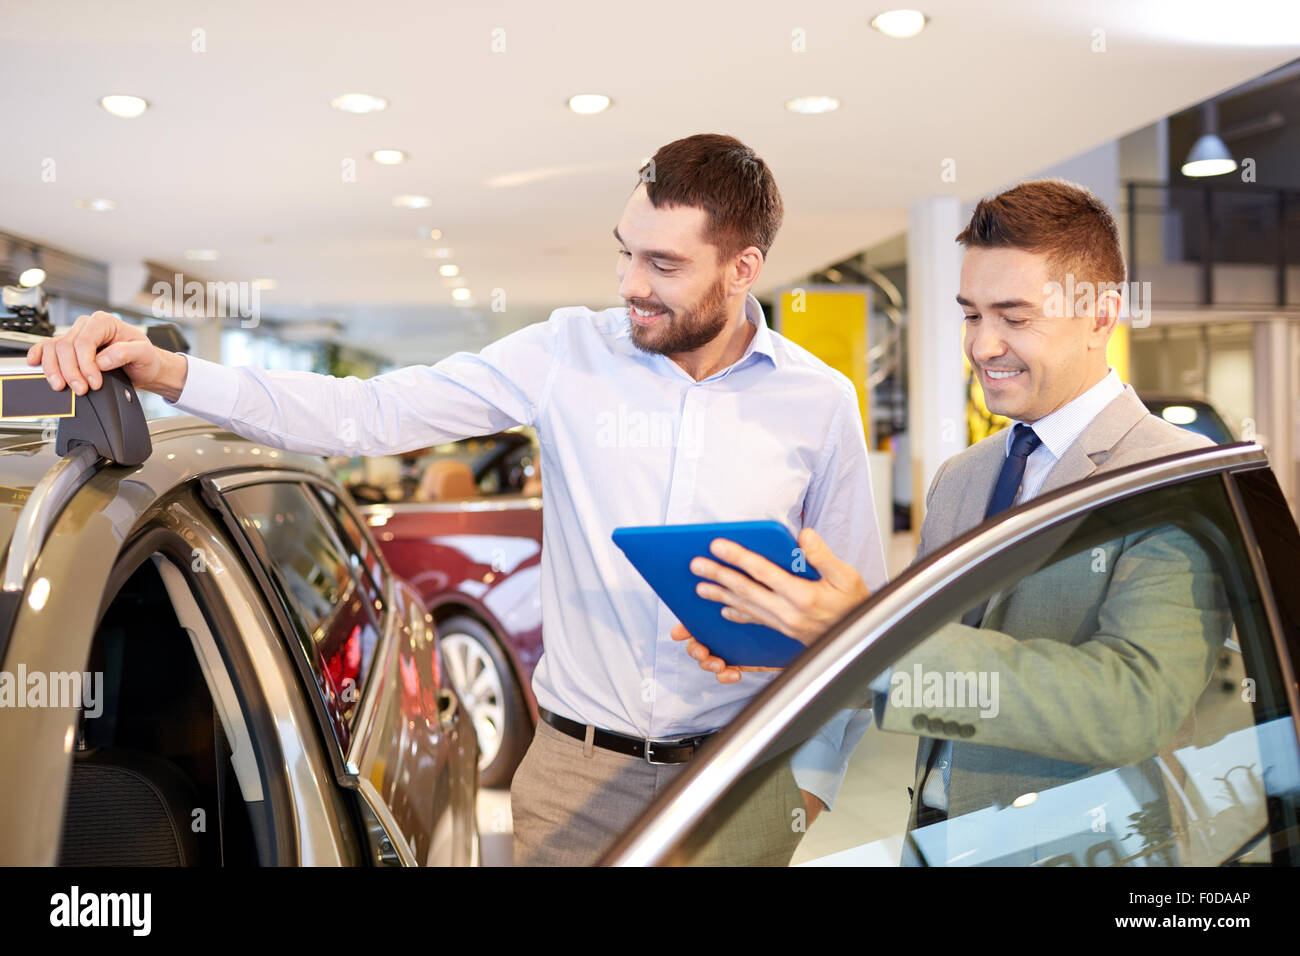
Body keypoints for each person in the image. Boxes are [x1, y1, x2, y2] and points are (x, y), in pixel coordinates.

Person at [31, 133, 887, 866]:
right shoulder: (565, 354)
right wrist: (172, 372)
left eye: (663, 263)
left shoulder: (817, 403)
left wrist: (812, 784)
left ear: (743, 269)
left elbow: (858, 609)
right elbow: (369, 411)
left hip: (742, 772)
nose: (629, 282)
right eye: (625, 249)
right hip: (575, 782)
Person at [673, 178, 1229, 863]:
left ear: (1100, 316)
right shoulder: (963, 478)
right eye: (971, 315)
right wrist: (784, 636)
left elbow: (1133, 705)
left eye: (1014, 317)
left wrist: (866, 632)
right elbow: (924, 661)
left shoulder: (1174, 475)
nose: (983, 345)